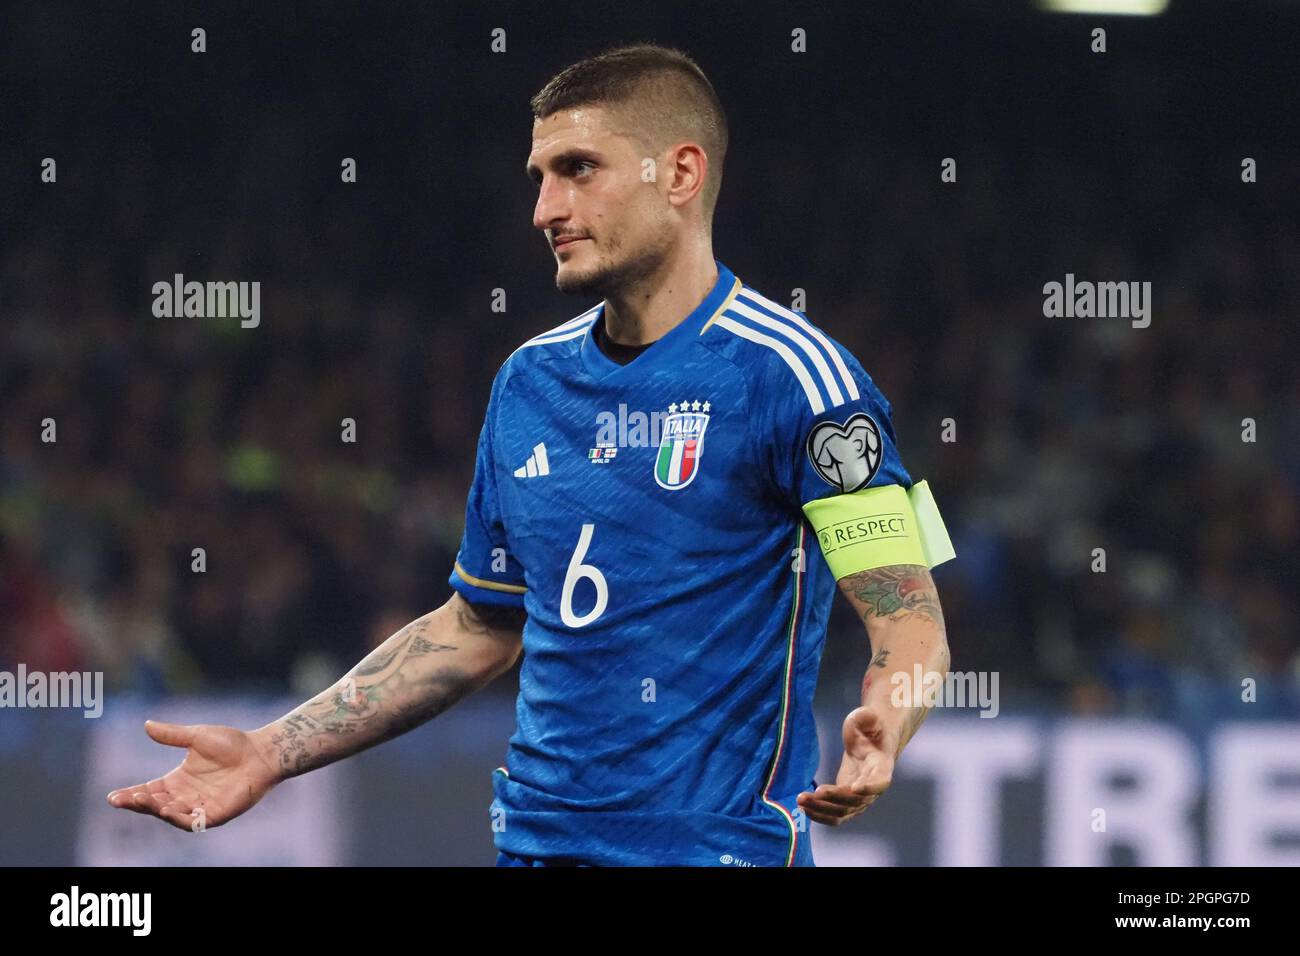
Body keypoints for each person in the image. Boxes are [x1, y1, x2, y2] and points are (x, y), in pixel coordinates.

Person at [108, 42, 954, 867]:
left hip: (712, 853)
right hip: (535, 848)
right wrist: (270, 752)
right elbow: (480, 624)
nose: (545, 210)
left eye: (579, 169)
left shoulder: (801, 381)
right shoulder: (528, 382)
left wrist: (890, 720)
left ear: (682, 175)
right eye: (541, 178)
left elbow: (910, 621)